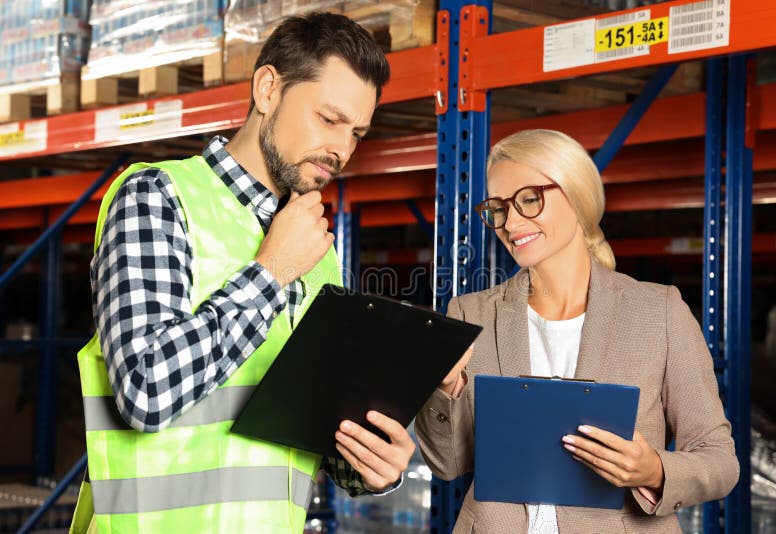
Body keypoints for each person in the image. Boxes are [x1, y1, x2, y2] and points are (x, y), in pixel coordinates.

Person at [71, 13, 416, 533]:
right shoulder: (157, 197)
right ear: (268, 89)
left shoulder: (317, 249)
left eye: (356, 133)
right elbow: (144, 391)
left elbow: (311, 430)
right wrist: (271, 272)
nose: (342, 150)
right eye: (329, 119)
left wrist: (372, 465)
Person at [414, 129, 739, 533]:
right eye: (498, 208)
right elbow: (448, 464)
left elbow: (719, 460)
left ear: (576, 195)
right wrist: (445, 389)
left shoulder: (659, 313)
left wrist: (654, 470)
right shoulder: (471, 313)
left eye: (529, 199)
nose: (510, 222)